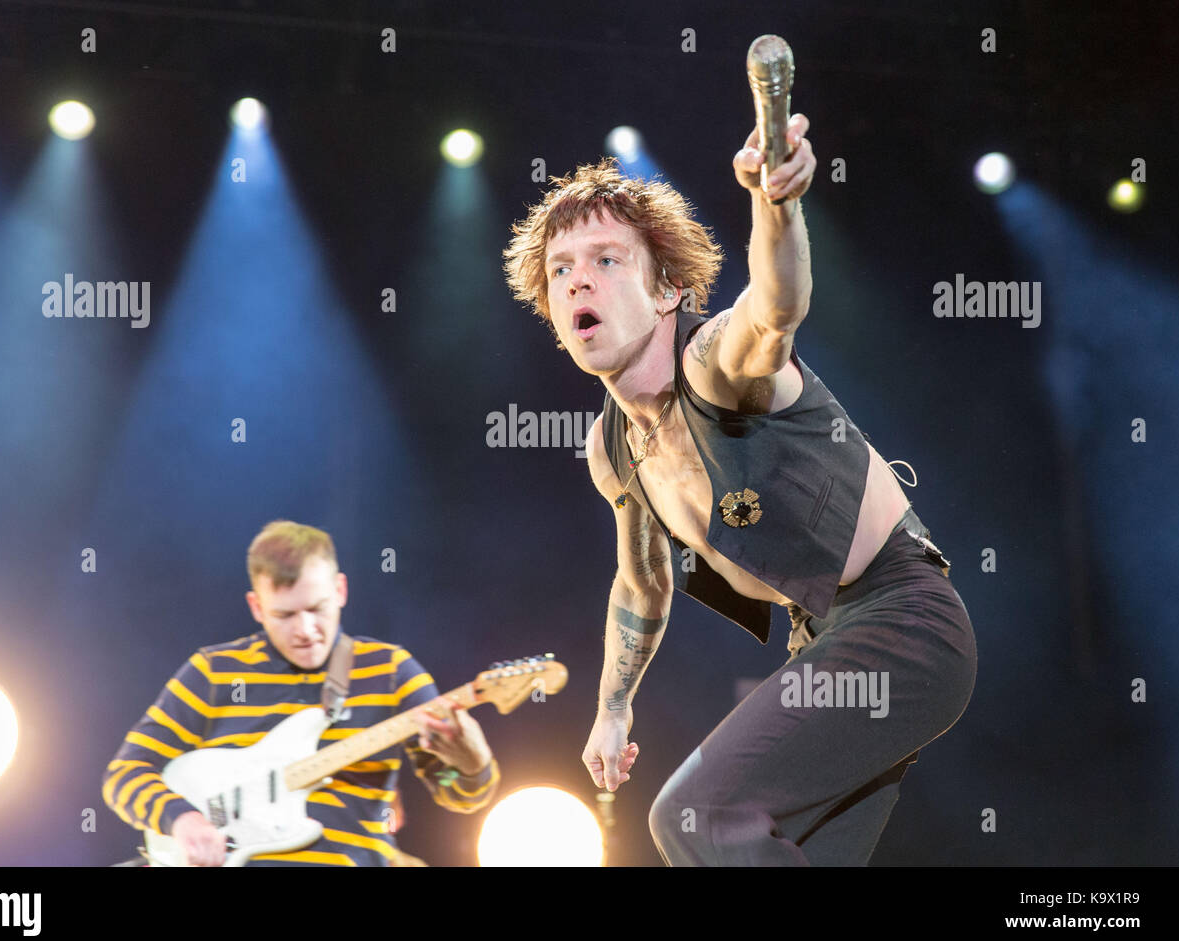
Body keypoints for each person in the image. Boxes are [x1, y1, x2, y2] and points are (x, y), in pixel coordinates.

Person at [502, 114, 976, 865]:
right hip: (822, 643)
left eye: (607, 259)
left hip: (901, 622)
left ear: (669, 292)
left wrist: (776, 204)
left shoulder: (714, 360)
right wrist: (612, 712)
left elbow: (776, 308)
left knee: (693, 818)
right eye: (560, 269)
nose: (578, 279)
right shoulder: (612, 447)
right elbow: (642, 580)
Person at [102, 520, 499, 866]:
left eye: (318, 608)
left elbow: (461, 795)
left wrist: (472, 761)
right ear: (256, 606)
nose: (306, 630)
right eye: (285, 615)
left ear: (341, 590)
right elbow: (125, 774)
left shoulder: (392, 672)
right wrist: (183, 820)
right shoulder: (212, 672)